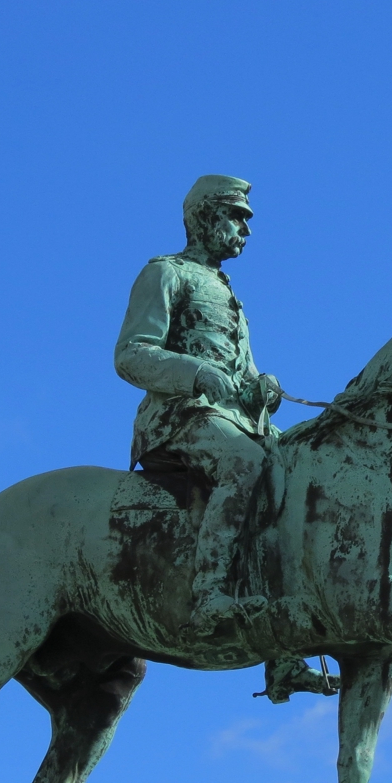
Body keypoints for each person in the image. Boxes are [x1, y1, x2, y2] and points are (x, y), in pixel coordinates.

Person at [114, 174, 280, 633]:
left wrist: (259, 385)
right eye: (237, 217)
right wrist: (195, 375)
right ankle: (209, 593)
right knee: (246, 464)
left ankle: (281, 652)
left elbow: (237, 370)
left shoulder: (228, 293)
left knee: (301, 467)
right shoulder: (165, 273)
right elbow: (131, 354)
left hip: (234, 420)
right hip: (175, 420)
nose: (245, 230)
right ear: (206, 216)